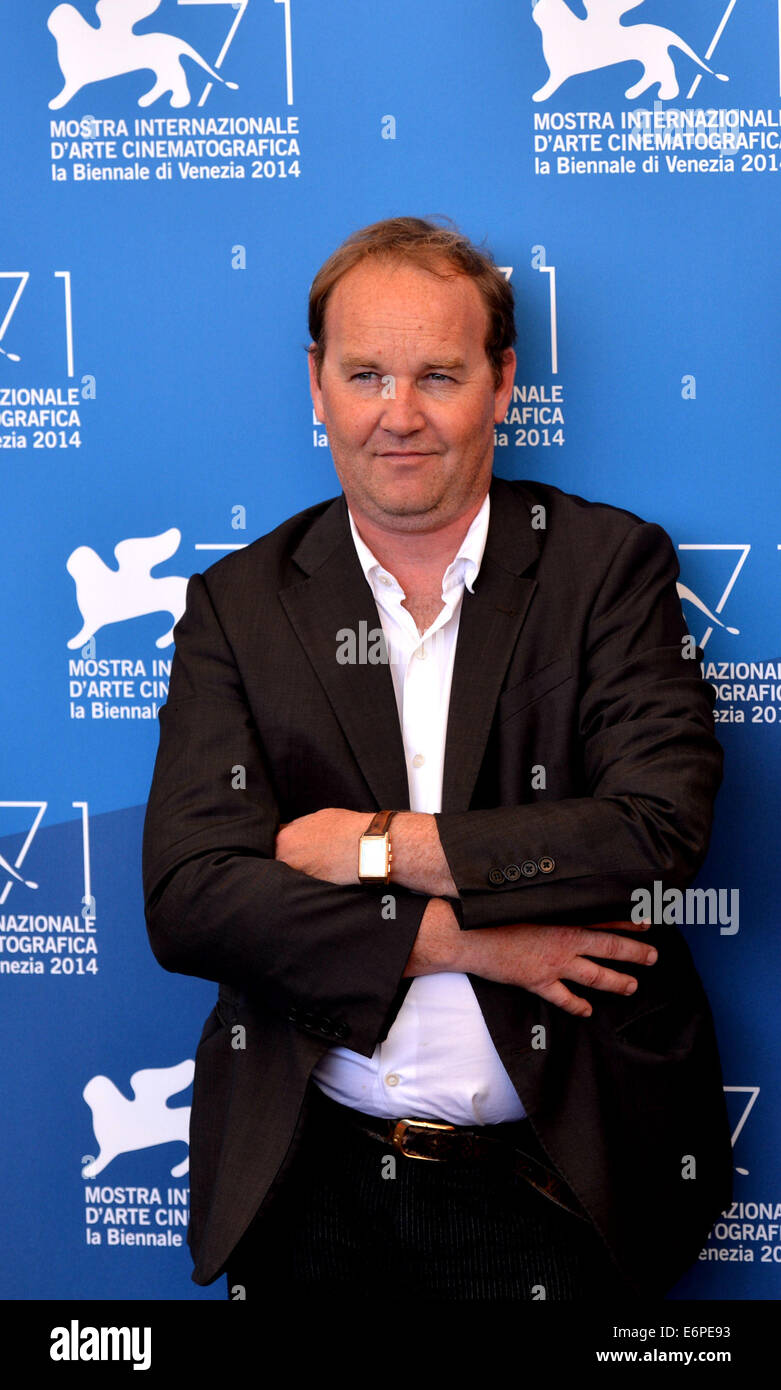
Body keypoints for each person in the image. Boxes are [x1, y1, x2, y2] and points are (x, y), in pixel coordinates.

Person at [142, 215, 732, 1302]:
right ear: (316, 384)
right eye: (365, 373)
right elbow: (192, 898)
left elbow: (653, 834)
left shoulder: (605, 568)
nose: (398, 415)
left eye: (439, 375)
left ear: (503, 384)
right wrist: (468, 940)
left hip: (554, 1189)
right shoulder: (238, 604)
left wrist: (375, 847)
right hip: (310, 1185)